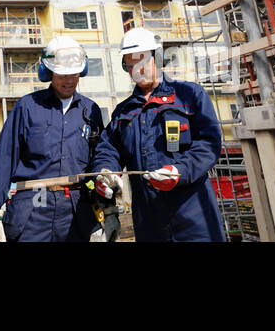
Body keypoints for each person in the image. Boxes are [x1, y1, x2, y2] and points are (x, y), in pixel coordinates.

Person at [93, 27, 226, 242]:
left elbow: (209, 145)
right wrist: (107, 170)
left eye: (142, 62)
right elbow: (108, 150)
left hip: (195, 218)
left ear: (158, 57)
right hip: (150, 223)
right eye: (130, 64)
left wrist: (179, 171)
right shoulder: (123, 112)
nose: (137, 70)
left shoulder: (189, 95)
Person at [0, 36, 108, 242]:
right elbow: (5, 158)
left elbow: (100, 160)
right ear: (48, 72)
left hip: (76, 211)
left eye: (74, 74)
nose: (70, 80)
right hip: (33, 209)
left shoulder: (90, 111)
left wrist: (107, 209)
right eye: (63, 75)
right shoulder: (27, 107)